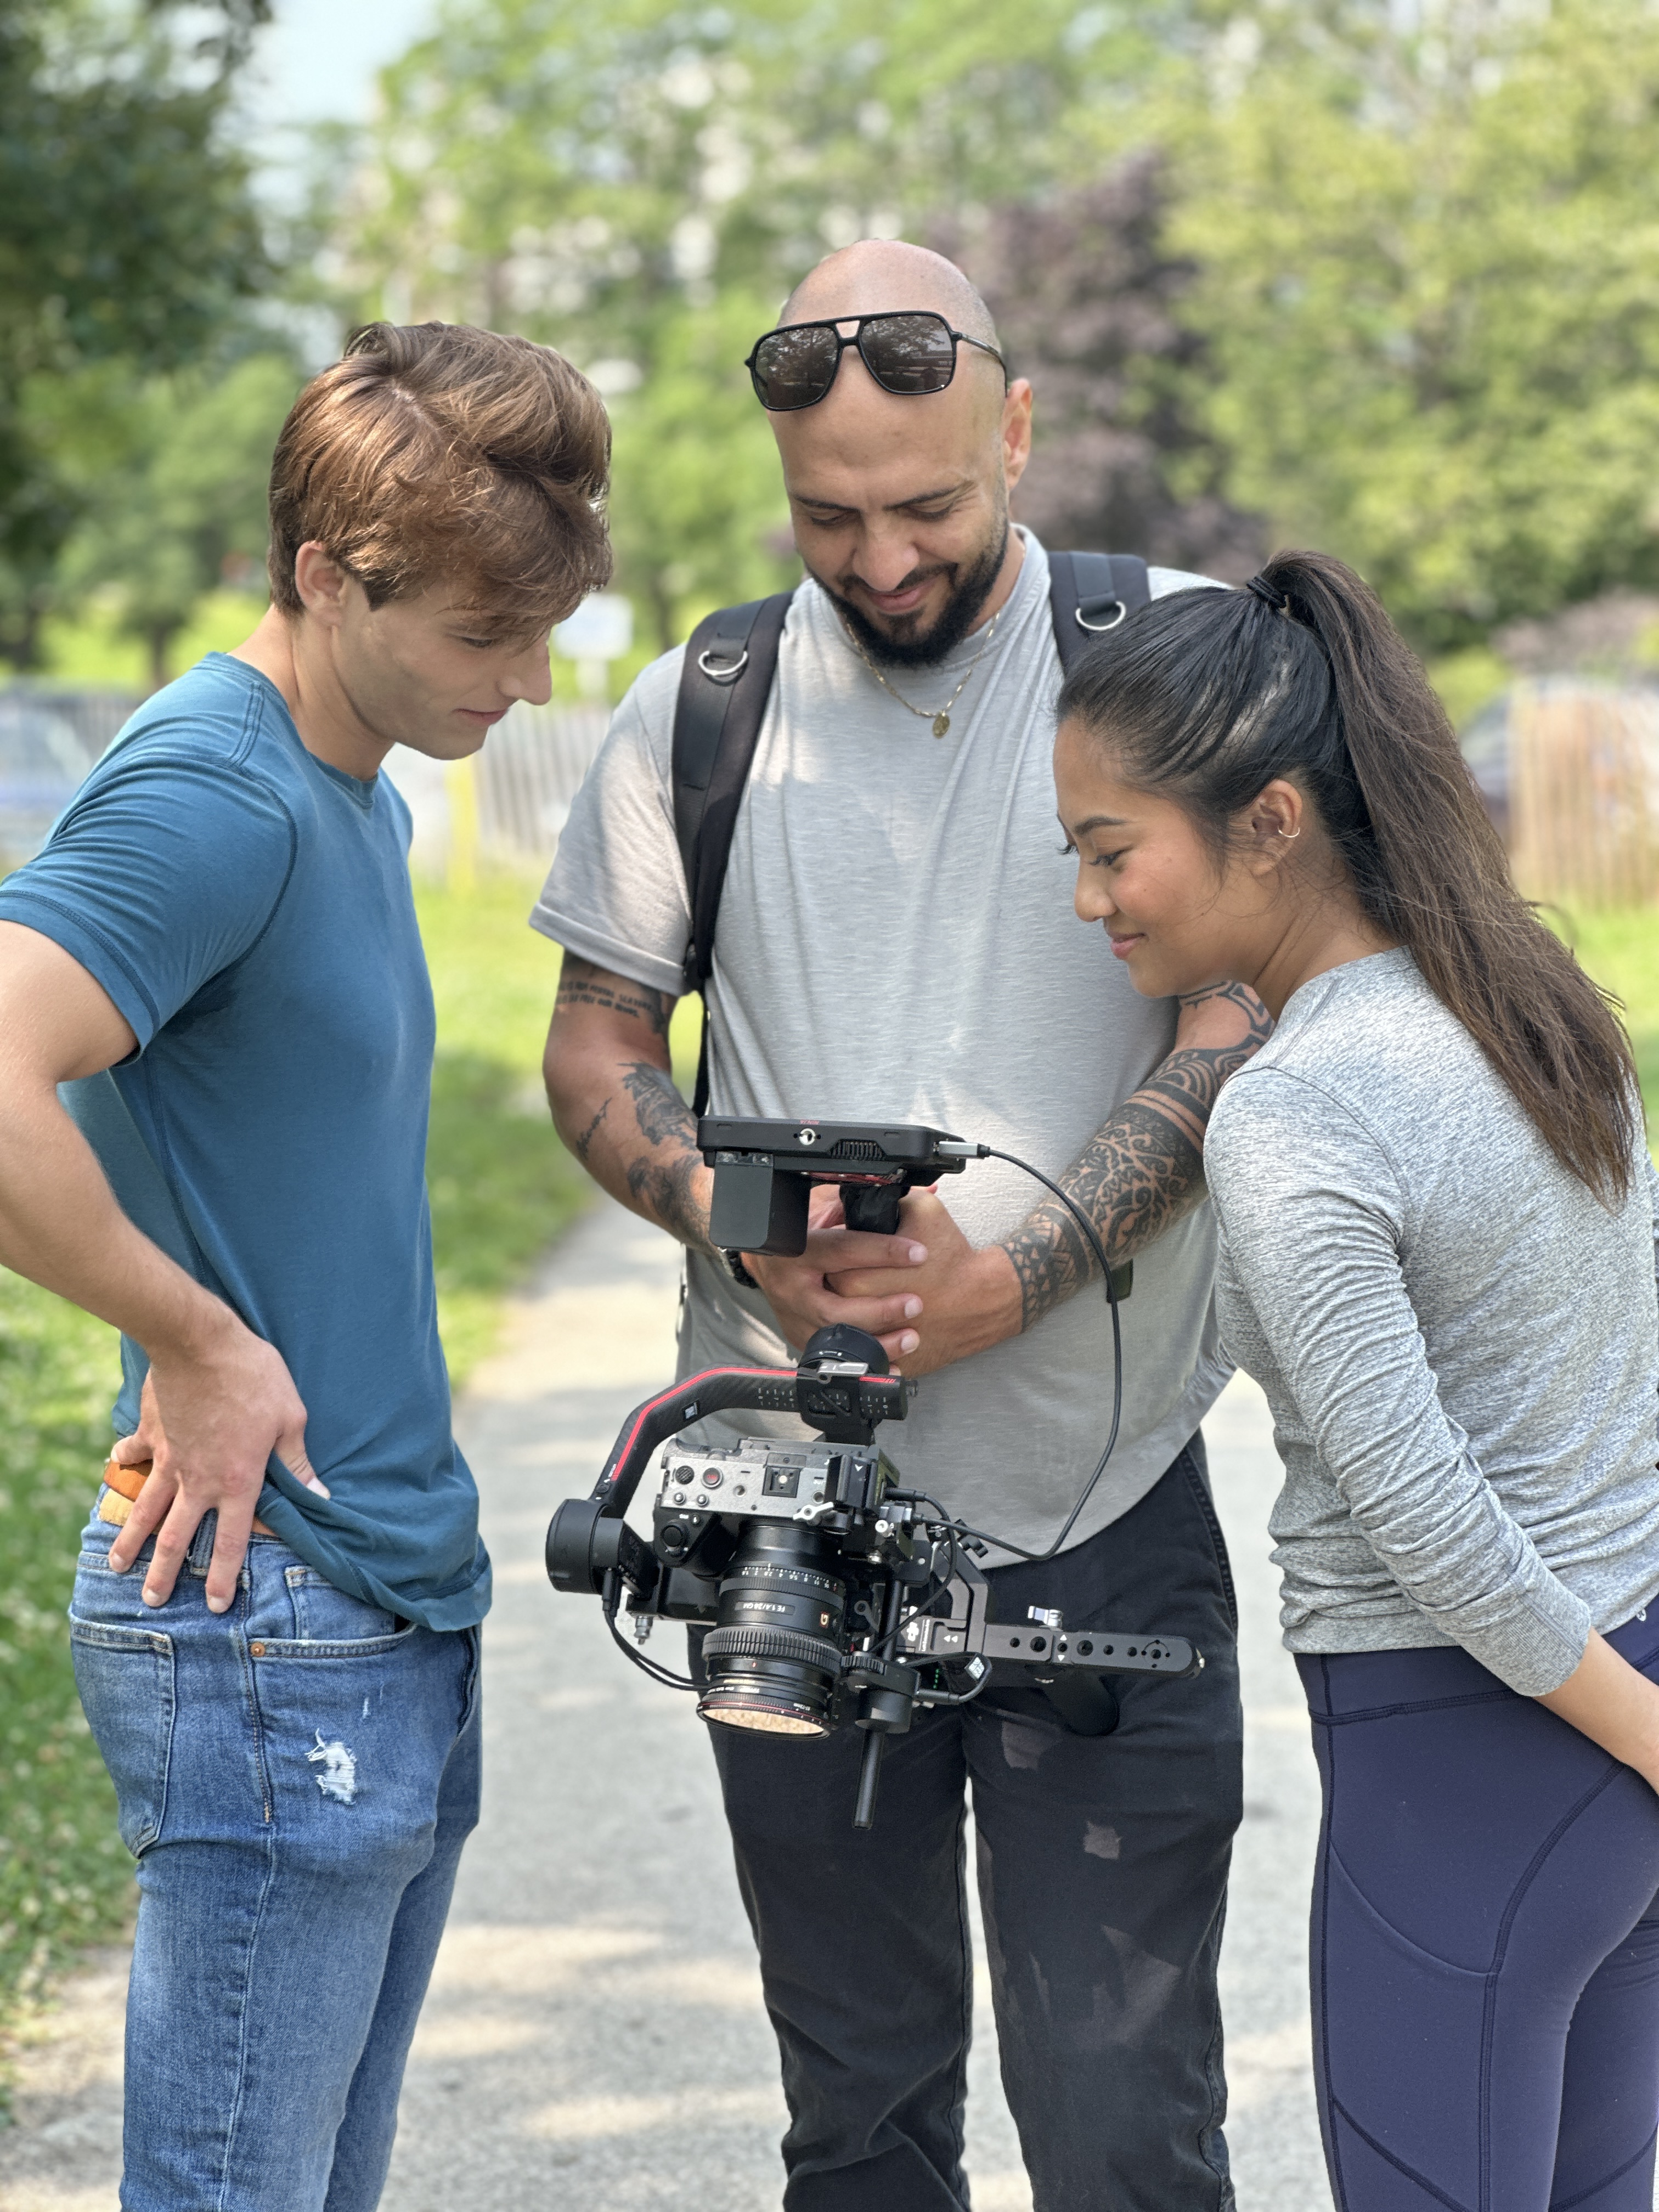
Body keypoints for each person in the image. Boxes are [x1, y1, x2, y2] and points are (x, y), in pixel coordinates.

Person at [538, 237, 1267, 2212]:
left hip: (1103, 1505)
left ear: (1020, 433)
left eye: (930, 503)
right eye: (830, 515)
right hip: (782, 1536)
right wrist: (727, 1219)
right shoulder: (703, 706)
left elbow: (1249, 1004)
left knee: (1129, 2137)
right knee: (857, 2128)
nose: (880, 561)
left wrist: (1025, 1266)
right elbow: (598, 1043)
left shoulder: (1173, 659)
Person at [0, 322, 611, 2212]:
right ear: (329, 579)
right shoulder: (220, 792)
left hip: (373, 1603)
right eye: (482, 639)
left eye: (541, 636)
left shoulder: (347, 783)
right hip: (267, 1618)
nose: (521, 683)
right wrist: (187, 1339)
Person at [1052, 546, 1659, 2212]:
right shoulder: (1528, 1005)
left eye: (1113, 851)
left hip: (1472, 1754)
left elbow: (1427, 1520)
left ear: (1272, 821)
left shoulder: (1297, 1106)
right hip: (1616, 1734)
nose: (1090, 900)